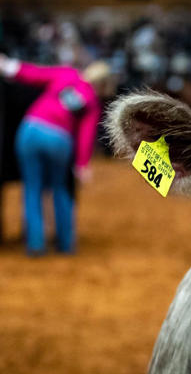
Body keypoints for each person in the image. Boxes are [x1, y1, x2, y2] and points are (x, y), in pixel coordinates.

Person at [0, 55, 113, 256]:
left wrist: (9, 66)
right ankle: (66, 244)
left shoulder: (68, 74)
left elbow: (33, 74)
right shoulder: (92, 102)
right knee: (60, 189)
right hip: (59, 139)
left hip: (30, 129)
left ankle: (35, 244)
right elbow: (85, 136)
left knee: (32, 188)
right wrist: (82, 164)